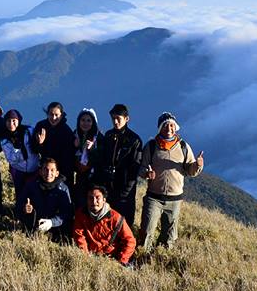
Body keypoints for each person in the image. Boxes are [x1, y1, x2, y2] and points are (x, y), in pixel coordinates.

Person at [138, 112, 205, 251]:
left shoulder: (183, 146)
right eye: (165, 125)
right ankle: (143, 259)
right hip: (153, 198)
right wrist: (146, 173)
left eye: (172, 125)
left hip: (175, 200)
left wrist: (198, 165)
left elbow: (190, 171)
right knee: (146, 232)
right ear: (159, 128)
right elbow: (141, 168)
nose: (169, 129)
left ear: (176, 127)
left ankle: (161, 260)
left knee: (169, 237)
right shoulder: (151, 146)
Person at [92, 104, 143, 226]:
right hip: (108, 185)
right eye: (113, 118)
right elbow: (102, 159)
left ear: (127, 119)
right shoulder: (109, 135)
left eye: (118, 118)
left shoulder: (134, 140)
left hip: (125, 187)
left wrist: (126, 190)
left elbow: (134, 169)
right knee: (107, 219)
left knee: (124, 221)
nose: (115, 122)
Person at [73, 185, 136, 266]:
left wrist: (122, 261)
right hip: (90, 256)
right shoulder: (81, 215)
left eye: (97, 198)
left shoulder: (116, 218)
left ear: (104, 200)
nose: (94, 201)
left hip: (113, 258)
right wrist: (85, 258)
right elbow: (79, 237)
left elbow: (130, 241)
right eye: (90, 198)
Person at [16, 157, 74, 242]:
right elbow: (18, 204)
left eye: (52, 170)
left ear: (57, 173)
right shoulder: (31, 185)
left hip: (55, 228)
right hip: (34, 226)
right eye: (45, 169)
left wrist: (52, 222)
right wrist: (25, 209)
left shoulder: (63, 189)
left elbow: (66, 213)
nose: (48, 173)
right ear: (40, 171)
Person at [0, 108, 40, 203]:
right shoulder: (4, 139)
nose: (11, 123)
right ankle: (20, 214)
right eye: (8, 121)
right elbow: (11, 159)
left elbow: (37, 147)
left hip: (34, 168)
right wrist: (17, 150)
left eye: (14, 120)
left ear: (19, 121)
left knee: (35, 193)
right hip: (18, 170)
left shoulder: (29, 131)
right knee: (20, 193)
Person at [32, 101, 75, 183]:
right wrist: (39, 143)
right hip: (45, 171)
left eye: (56, 115)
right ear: (47, 114)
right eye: (51, 114)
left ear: (61, 115)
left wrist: (63, 176)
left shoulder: (66, 131)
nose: (53, 118)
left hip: (62, 172)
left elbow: (69, 156)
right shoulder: (41, 126)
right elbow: (34, 150)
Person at [71, 107, 99, 209]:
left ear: (93, 122)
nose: (85, 123)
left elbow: (101, 159)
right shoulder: (74, 136)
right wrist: (74, 147)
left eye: (89, 120)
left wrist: (92, 150)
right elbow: (69, 157)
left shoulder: (99, 138)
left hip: (94, 179)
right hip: (79, 179)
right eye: (83, 120)